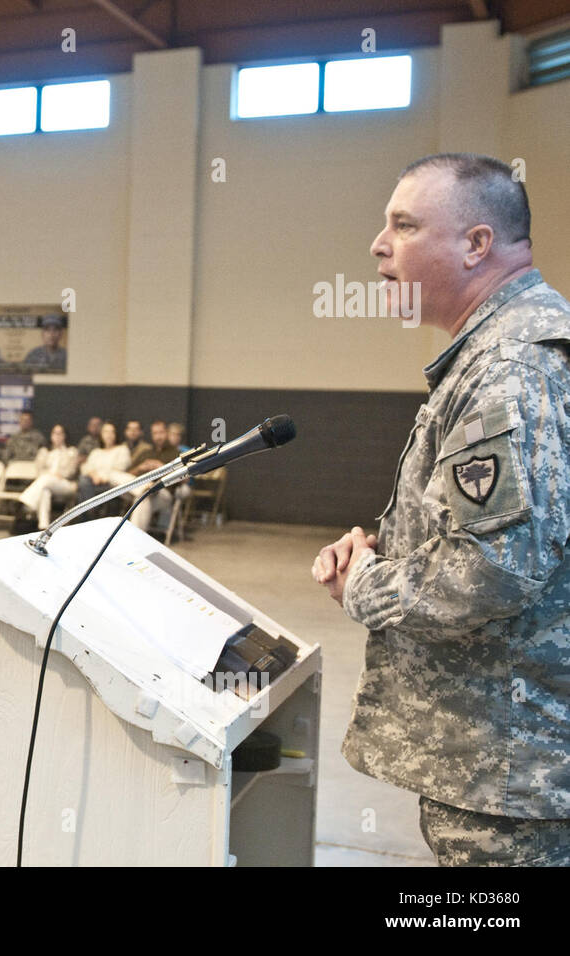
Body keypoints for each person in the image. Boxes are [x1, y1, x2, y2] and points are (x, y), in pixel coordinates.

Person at [311, 153, 570, 866]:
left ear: (476, 244)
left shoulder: (510, 369)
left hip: (516, 774)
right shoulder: (507, 352)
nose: (378, 244)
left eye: (404, 224)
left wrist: (364, 583)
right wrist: (383, 555)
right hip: (511, 760)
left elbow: (494, 569)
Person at [16, 424, 79, 529]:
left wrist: (59, 475)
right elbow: (39, 471)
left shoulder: (71, 451)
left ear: (65, 435)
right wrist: (51, 475)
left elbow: (71, 471)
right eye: (55, 433)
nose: (57, 436)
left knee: (46, 480)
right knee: (45, 491)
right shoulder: (44, 452)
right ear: (51, 435)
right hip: (46, 483)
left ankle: (25, 502)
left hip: (65, 484)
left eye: (60, 433)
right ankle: (43, 526)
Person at [128, 420, 186, 533]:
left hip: (164, 492)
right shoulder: (146, 453)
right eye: (155, 433)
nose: (158, 436)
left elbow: (185, 478)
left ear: (166, 433)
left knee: (142, 499)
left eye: (161, 432)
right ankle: (136, 539)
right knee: (142, 496)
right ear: (151, 435)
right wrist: (141, 467)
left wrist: (162, 467)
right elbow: (129, 473)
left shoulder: (176, 453)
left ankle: (134, 537)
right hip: (142, 490)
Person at [74, 421, 130, 505]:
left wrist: (102, 477)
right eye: (106, 432)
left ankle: (89, 511)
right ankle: (91, 511)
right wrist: (94, 475)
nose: (109, 435)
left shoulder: (122, 449)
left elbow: (120, 468)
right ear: (101, 434)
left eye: (112, 432)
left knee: (83, 486)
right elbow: (86, 467)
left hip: (112, 483)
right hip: (94, 482)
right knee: (83, 481)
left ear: (116, 434)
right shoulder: (96, 452)